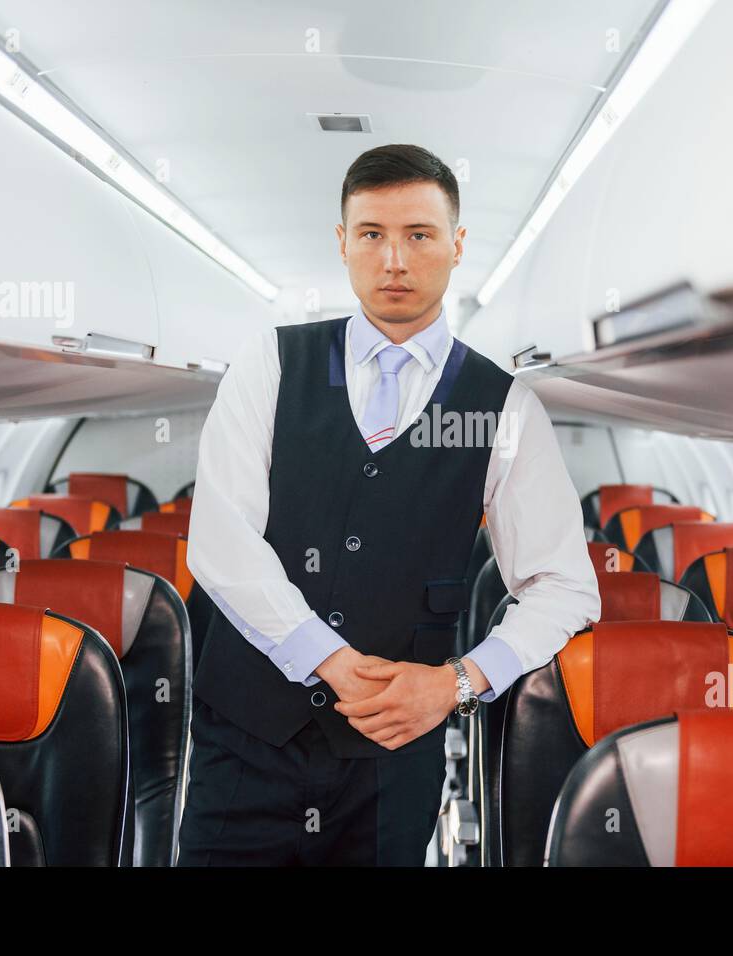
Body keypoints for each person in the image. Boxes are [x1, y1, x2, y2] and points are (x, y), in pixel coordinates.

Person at [179, 143, 600, 866]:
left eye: (419, 235)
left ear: (457, 246)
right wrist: (331, 660)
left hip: (392, 765)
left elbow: (565, 585)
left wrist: (457, 685)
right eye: (372, 234)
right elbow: (222, 542)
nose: (395, 260)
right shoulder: (272, 365)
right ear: (343, 245)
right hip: (245, 748)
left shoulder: (502, 407)